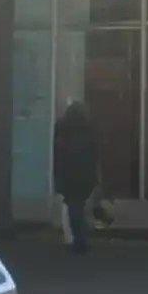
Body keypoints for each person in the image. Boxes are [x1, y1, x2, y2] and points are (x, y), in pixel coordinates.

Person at [53, 102, 97, 255]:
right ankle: (81, 238)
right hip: (84, 174)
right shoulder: (89, 129)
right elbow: (94, 154)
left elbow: (58, 154)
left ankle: (78, 238)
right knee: (79, 206)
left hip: (69, 175)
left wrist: (57, 177)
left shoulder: (62, 129)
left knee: (73, 207)